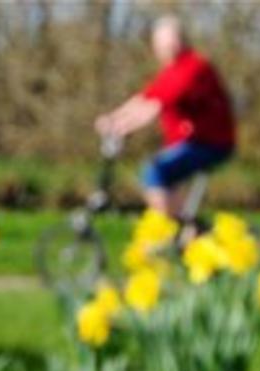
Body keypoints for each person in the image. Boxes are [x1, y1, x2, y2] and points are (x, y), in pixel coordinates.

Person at [95, 14, 236, 219]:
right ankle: (185, 235)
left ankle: (167, 229)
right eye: (160, 44)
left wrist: (122, 127)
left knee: (153, 171)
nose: (163, 49)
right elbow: (144, 98)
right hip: (191, 143)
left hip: (209, 143)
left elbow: (155, 106)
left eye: (168, 43)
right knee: (168, 183)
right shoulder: (172, 70)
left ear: (180, 41)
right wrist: (113, 118)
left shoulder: (193, 67)